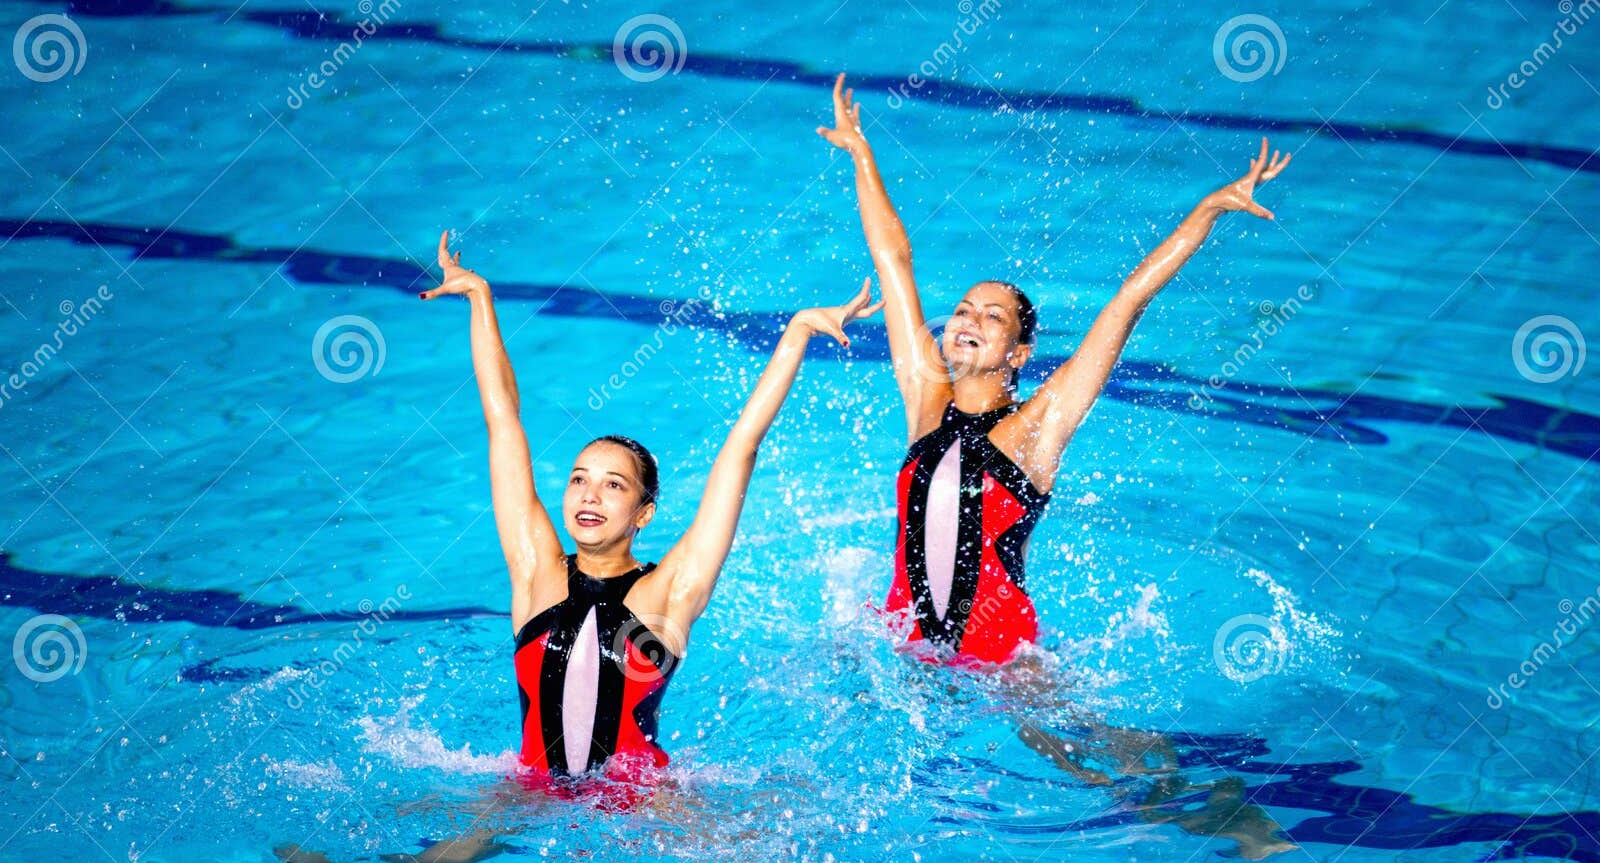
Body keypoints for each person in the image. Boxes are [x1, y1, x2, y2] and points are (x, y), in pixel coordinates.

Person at [817, 74, 1292, 665]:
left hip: (1001, 664)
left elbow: (1127, 303)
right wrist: (861, 154)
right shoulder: (924, 399)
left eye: (993, 316)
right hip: (901, 648)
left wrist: (1209, 209)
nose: (969, 318)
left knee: (1073, 730)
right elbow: (894, 260)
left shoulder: (1039, 424)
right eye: (963, 309)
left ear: (1018, 353)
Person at [417, 231, 881, 780]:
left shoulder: (670, 590)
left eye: (613, 485)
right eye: (579, 480)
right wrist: (480, 298)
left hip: (639, 806)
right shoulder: (535, 570)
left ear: (644, 513)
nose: (589, 494)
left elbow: (741, 448)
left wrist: (798, 331)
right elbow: (503, 421)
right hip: (531, 791)